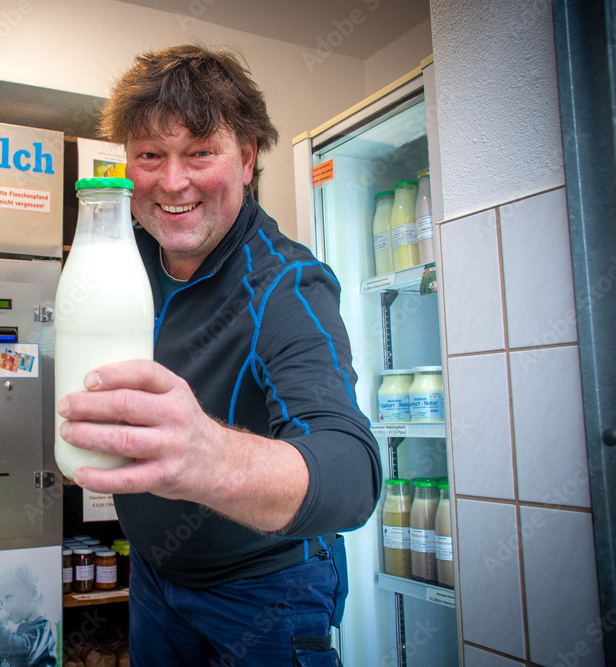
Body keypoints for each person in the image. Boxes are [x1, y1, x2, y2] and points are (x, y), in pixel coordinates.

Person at [54, 44, 381, 665]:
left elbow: (351, 474)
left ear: (248, 158)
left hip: (266, 593)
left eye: (201, 152)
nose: (172, 182)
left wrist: (207, 455)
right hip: (153, 580)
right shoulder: (123, 260)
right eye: (150, 155)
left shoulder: (286, 284)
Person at [0, 566, 56, 666]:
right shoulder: (19, 635)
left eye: (8, 597)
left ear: (33, 593)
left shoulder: (43, 628)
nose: (5, 607)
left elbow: (23, 656)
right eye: (3, 601)